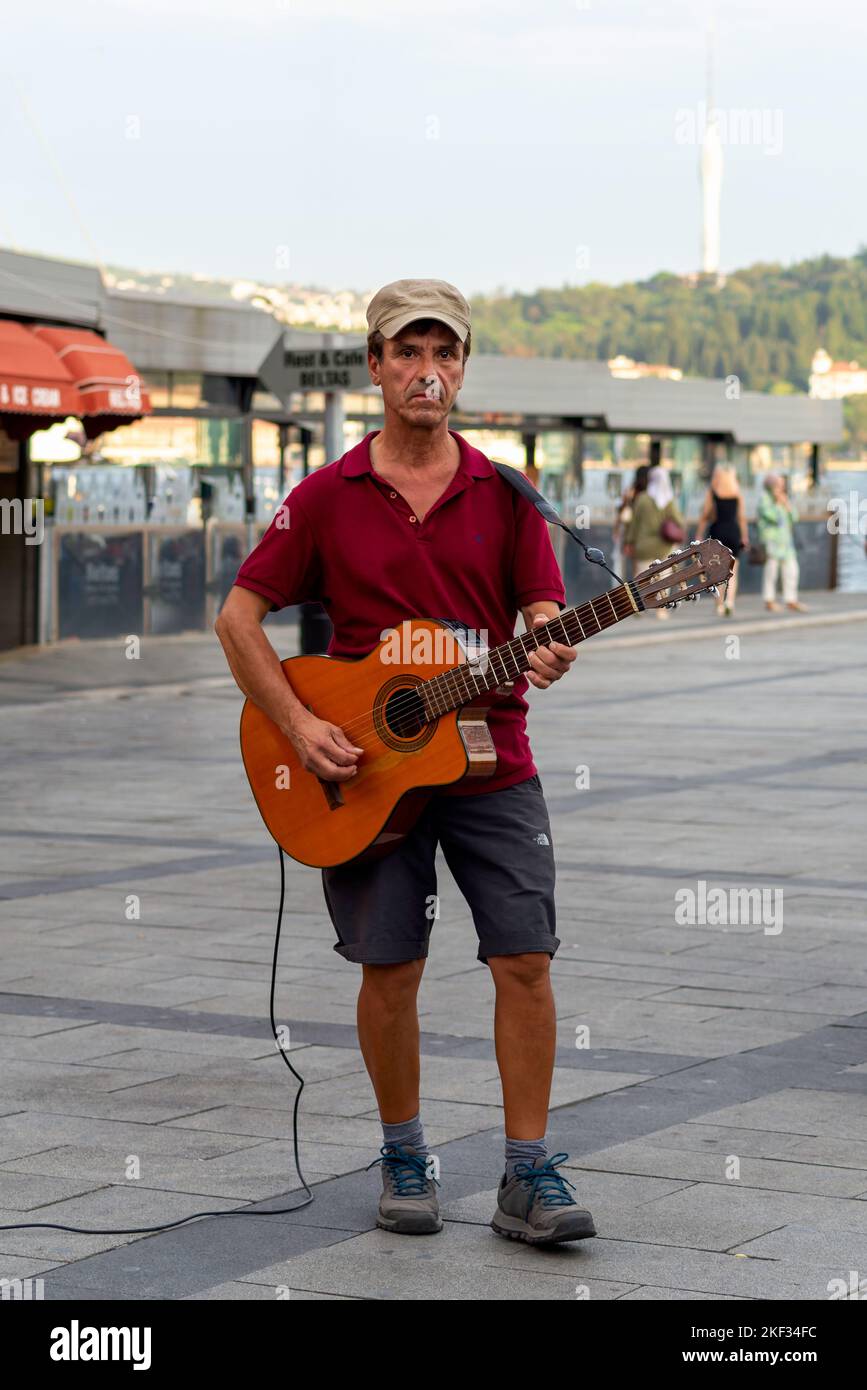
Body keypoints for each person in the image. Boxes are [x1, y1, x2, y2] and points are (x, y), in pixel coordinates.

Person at [215, 279, 596, 1247]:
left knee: (526, 961)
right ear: (377, 365)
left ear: (462, 370)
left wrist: (549, 642)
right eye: (408, 352)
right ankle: (404, 1153)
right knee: (390, 968)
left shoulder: (506, 495)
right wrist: (301, 727)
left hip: (493, 758)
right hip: (370, 770)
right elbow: (237, 617)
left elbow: (543, 608)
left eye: (446, 354)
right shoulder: (327, 498)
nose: (428, 371)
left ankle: (527, 1174)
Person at [624, 463, 685, 618]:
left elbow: (634, 524)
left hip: (643, 546)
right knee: (664, 577)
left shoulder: (642, 499)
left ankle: (637, 608)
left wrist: (629, 542)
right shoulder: (669, 501)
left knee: (641, 578)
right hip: (664, 546)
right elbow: (679, 521)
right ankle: (661, 609)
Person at [694, 463, 749, 617]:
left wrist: (698, 534)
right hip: (734, 532)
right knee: (733, 571)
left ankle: (719, 605)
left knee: (717, 571)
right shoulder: (737, 493)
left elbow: (705, 515)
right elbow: (742, 518)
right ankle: (729, 602)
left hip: (718, 532)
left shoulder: (713, 492)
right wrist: (744, 536)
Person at [758, 473, 806, 612]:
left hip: (786, 542)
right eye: (778, 485)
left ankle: (791, 599)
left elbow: (795, 517)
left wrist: (786, 504)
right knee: (771, 571)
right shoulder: (765, 499)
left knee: (792, 570)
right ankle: (769, 600)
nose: (781, 488)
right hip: (772, 541)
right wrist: (778, 503)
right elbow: (772, 517)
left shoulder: (784, 499)